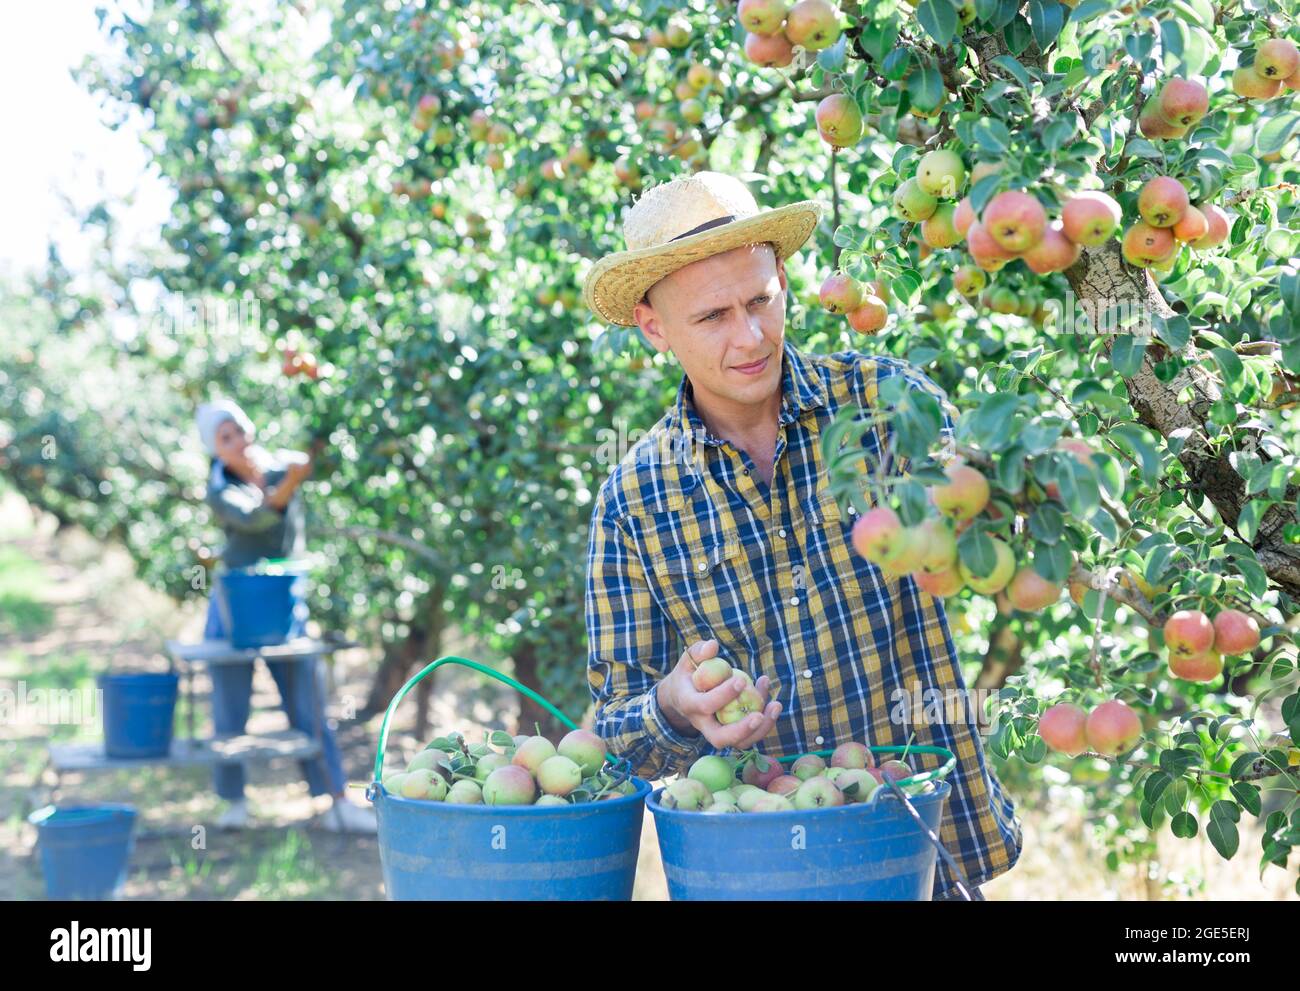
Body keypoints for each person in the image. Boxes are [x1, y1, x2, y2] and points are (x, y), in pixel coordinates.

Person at [581, 172, 1022, 898]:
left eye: (760, 300)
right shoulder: (636, 499)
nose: (749, 336)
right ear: (653, 327)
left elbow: (996, 534)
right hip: (764, 876)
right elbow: (617, 729)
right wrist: (673, 702)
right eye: (713, 316)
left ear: (782, 276)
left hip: (920, 847)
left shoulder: (888, 407)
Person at [196, 399, 374, 833]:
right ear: (214, 449)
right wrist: (291, 481)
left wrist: (295, 468)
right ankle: (234, 801)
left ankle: (335, 801)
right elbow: (256, 519)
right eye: (225, 437)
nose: (237, 441)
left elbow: (314, 458)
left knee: (308, 704)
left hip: (282, 601)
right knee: (229, 707)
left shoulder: (276, 468)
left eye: (239, 429)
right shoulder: (219, 488)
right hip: (235, 605)